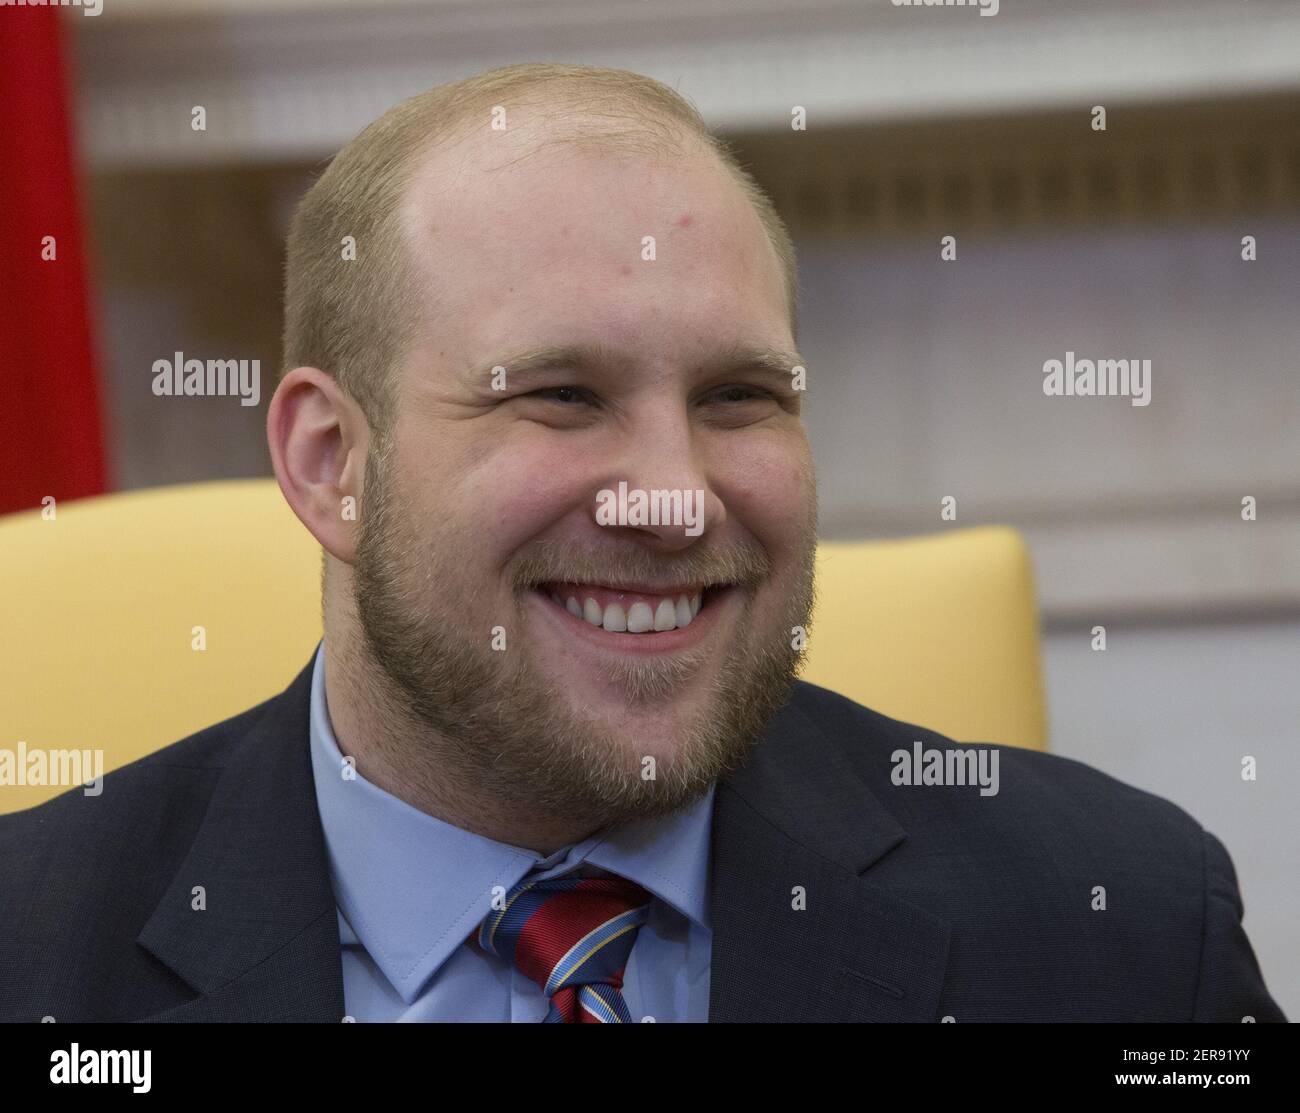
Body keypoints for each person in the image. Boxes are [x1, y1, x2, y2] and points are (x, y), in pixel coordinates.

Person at [0, 63, 1284, 1023]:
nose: (675, 499)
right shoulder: (34, 963)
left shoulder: (1123, 938)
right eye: (559, 395)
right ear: (331, 462)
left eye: (739, 398)